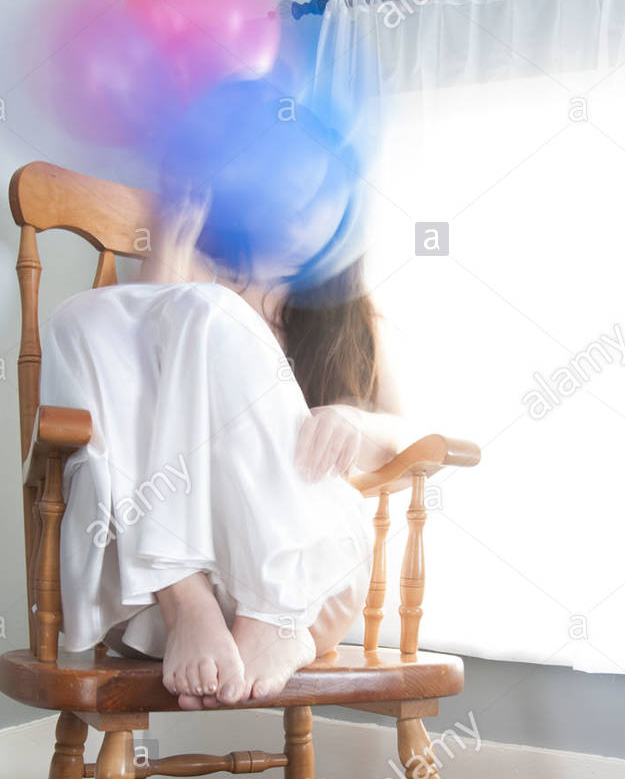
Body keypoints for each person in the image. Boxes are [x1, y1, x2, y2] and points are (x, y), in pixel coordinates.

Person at [39, 189, 410, 712]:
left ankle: (270, 613)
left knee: (216, 310)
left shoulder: (353, 312)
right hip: (166, 600)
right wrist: (169, 243)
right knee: (78, 318)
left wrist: (354, 420)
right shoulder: (194, 272)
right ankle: (184, 595)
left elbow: (409, 434)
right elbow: (130, 396)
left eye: (322, 194)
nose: (302, 207)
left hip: (309, 586)